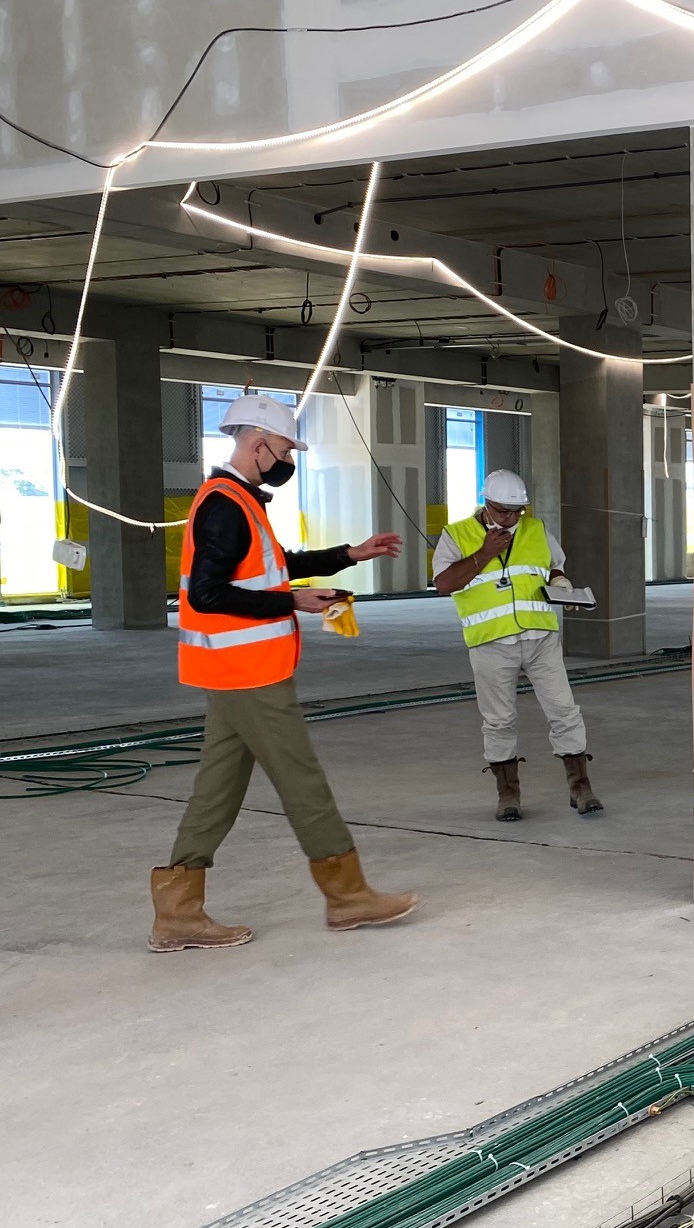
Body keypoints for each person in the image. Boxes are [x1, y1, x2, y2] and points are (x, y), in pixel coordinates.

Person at [150, 393, 417, 952]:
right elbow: (208, 593)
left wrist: (350, 554)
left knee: (216, 791)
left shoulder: (242, 500)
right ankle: (348, 898)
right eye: (284, 448)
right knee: (303, 783)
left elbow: (275, 564)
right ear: (258, 444)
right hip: (248, 671)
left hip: (234, 671)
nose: (288, 459)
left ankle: (177, 912)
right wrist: (293, 604)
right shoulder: (224, 503)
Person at [432, 469, 603, 822]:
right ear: (486, 504)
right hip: (491, 642)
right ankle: (507, 795)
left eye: (517, 511)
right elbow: (444, 583)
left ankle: (580, 787)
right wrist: (484, 552)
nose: (511, 518)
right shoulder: (457, 535)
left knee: (564, 711)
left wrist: (563, 583)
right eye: (503, 511)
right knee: (499, 721)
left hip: (540, 638)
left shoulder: (536, 529)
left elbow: (554, 567)